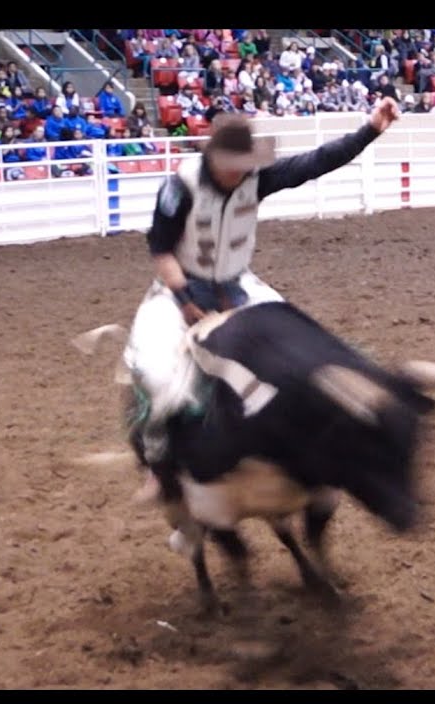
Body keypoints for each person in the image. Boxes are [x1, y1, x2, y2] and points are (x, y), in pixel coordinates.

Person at [121, 96, 402, 466]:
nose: (240, 172)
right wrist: (187, 302)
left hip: (238, 285)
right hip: (178, 291)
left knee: (299, 350)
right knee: (156, 372)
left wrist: (369, 131)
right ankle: (157, 457)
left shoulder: (257, 177)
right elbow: (161, 249)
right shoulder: (180, 188)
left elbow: (315, 162)